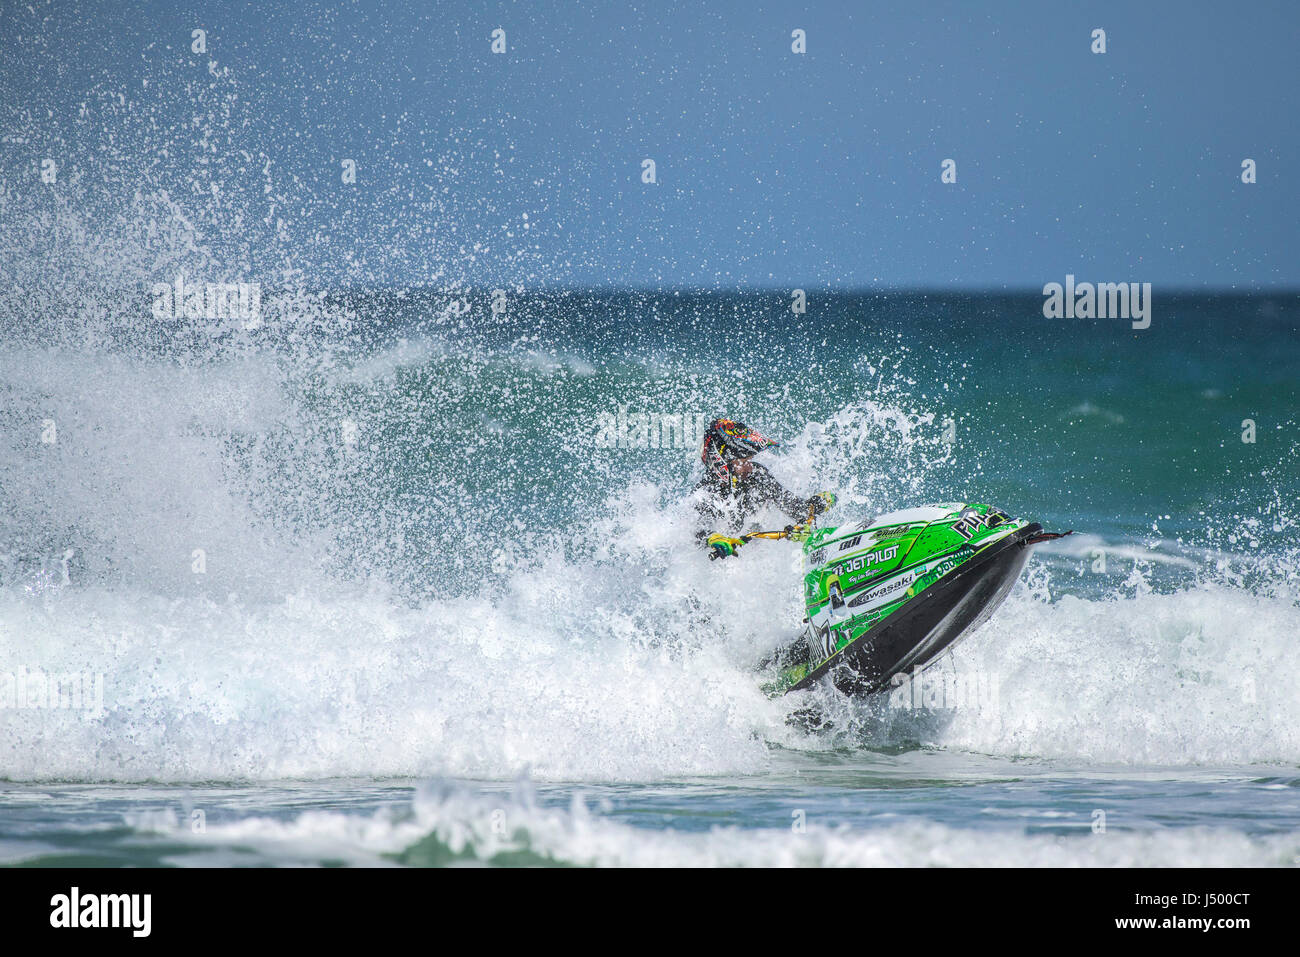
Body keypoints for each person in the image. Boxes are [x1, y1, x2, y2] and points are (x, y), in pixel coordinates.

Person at [692, 417, 834, 559]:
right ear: (721, 461)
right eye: (743, 461)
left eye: (750, 459)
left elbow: (794, 508)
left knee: (756, 529)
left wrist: (814, 505)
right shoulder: (705, 492)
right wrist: (713, 539)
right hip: (717, 568)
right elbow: (698, 532)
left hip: (754, 560)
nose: (749, 466)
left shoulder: (757, 476)